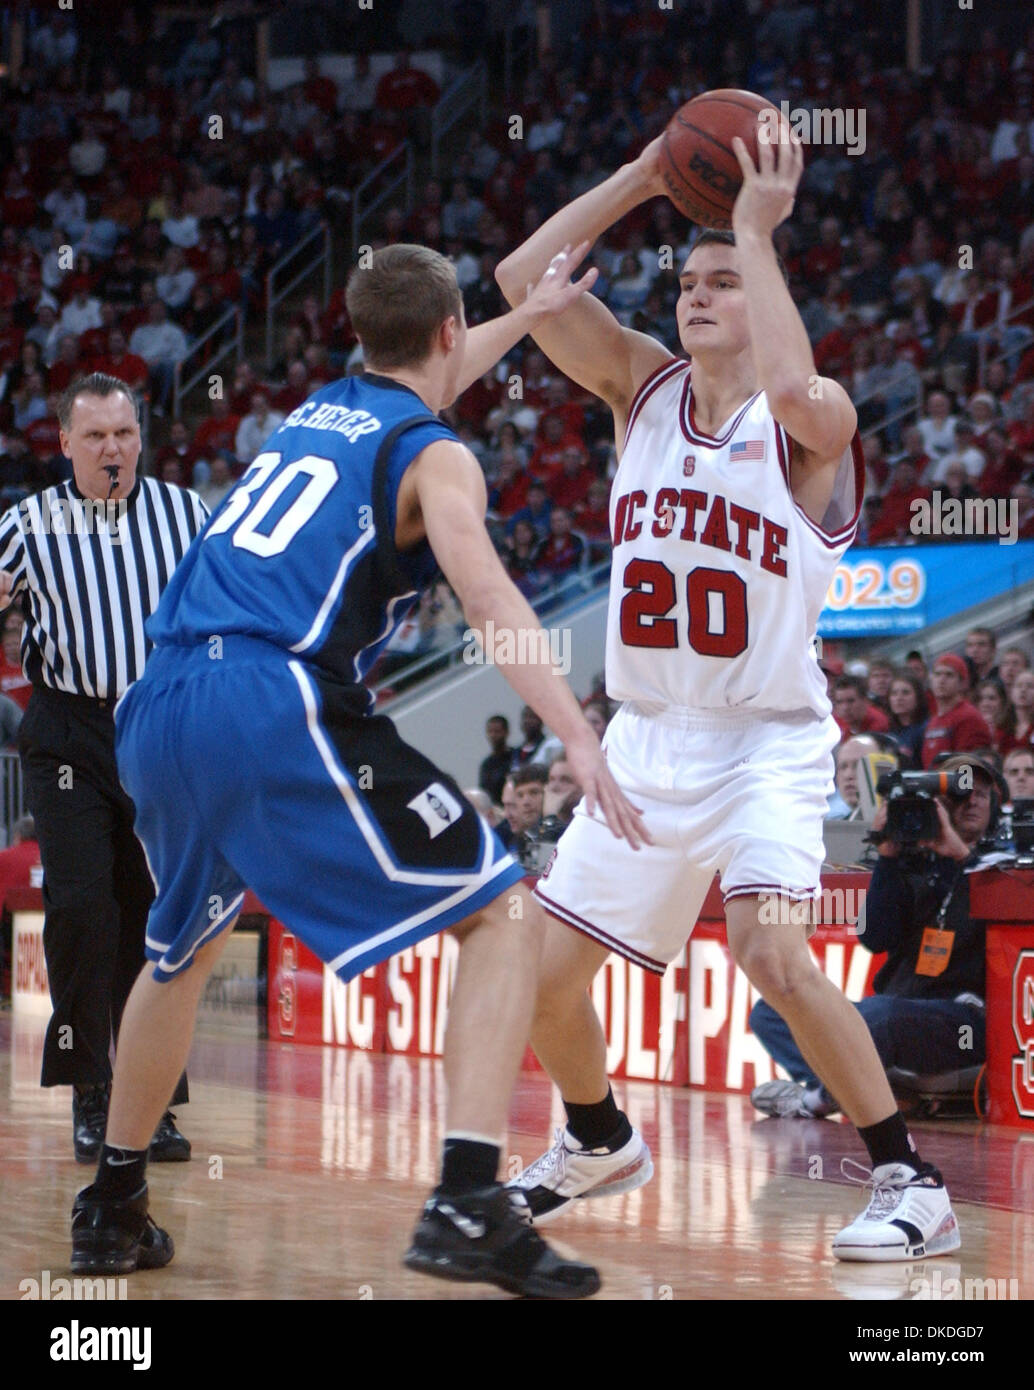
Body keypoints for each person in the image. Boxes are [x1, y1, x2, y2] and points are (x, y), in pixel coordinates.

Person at [68, 244, 647, 1300]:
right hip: (271, 698)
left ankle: (110, 1201)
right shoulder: (439, 454)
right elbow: (486, 599)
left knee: (181, 953)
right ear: (445, 333)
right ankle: (468, 1194)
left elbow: (427, 360)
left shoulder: (319, 408)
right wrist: (572, 729)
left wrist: (532, 315)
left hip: (158, 700)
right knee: (503, 914)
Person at [494, 125, 959, 1260]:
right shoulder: (640, 389)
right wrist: (644, 176)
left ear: (762, 292)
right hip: (648, 736)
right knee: (541, 986)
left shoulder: (812, 424)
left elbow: (802, 390)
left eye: (722, 282)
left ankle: (909, 1182)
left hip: (767, 740)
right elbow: (519, 284)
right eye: (687, 280)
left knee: (770, 953)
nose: (697, 295)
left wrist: (752, 231)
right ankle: (598, 1137)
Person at [0, 374, 208, 1163]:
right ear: (64, 443)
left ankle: (148, 1101)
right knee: (84, 906)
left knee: (157, 919)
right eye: (95, 437)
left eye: (124, 433)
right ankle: (92, 1090)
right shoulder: (26, 523)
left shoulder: (186, 514)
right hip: (70, 733)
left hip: (160, 729)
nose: (113, 449)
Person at [750, 754, 996, 1118]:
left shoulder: (1006, 864)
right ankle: (882, 1089)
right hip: (897, 1011)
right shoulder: (912, 863)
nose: (973, 799)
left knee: (877, 1015)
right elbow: (874, 937)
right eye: (962, 793)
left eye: (982, 794)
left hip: (965, 1019)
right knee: (771, 1010)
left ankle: (817, 1098)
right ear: (939, 804)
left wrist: (961, 857)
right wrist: (887, 856)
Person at [921, 653, 994, 767]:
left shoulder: (969, 718)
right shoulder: (934, 720)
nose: (941, 680)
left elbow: (970, 766)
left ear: (962, 683)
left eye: (949, 675)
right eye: (937, 674)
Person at [478, 714, 512, 804]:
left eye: (497, 731)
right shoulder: (486, 764)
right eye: (490, 732)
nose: (493, 735)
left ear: (506, 732)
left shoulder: (515, 757)